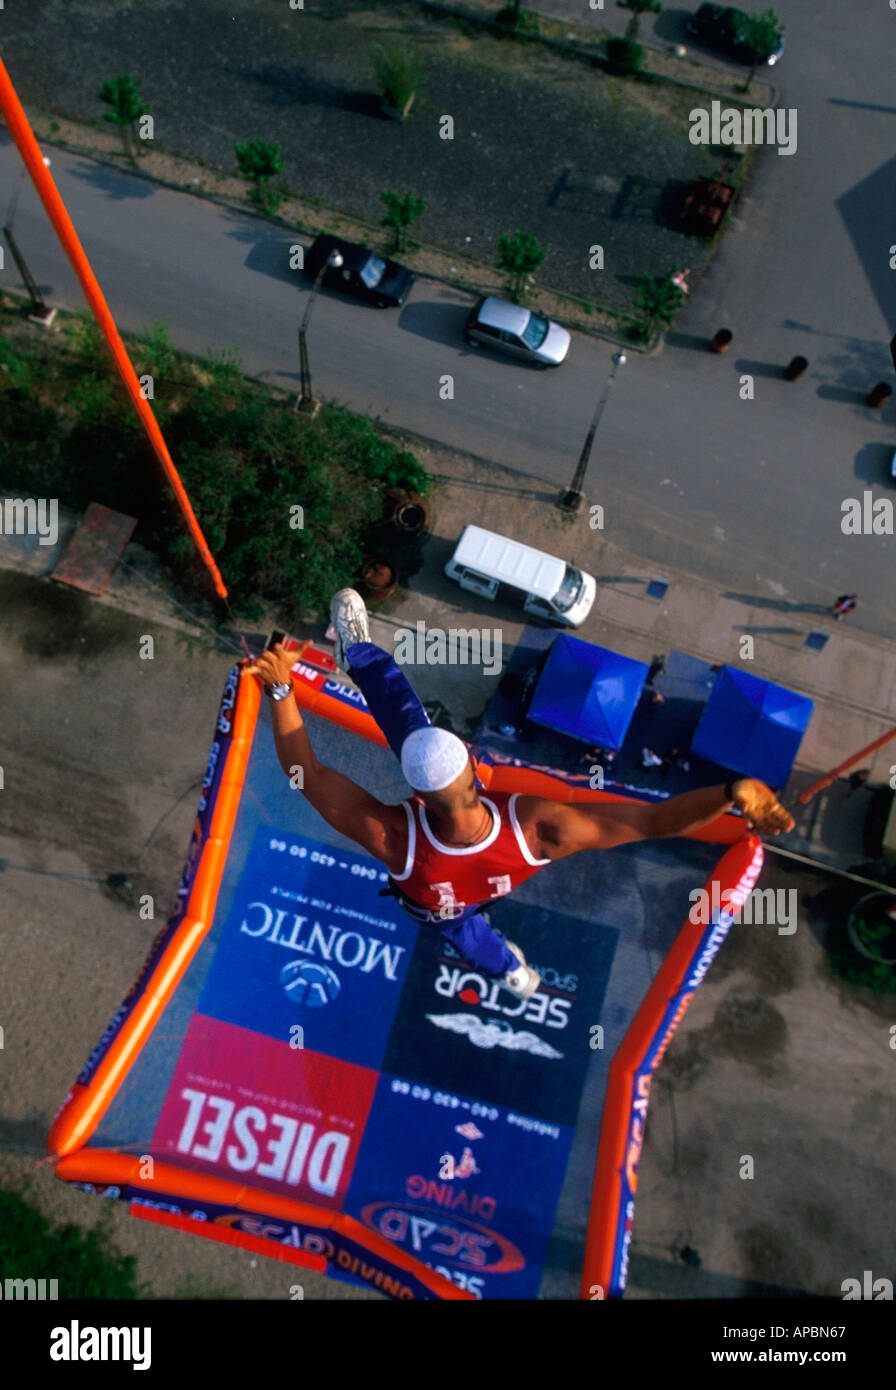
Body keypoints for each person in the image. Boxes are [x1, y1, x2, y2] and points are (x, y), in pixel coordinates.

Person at [246, 591, 794, 1004]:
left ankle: (359, 651)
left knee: (464, 931)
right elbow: (656, 823)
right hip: (488, 867)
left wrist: (279, 690)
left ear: (416, 795)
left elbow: (307, 774)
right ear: (476, 775)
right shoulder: (538, 826)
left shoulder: (396, 840)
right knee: (471, 930)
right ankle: (511, 969)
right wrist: (730, 792)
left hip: (438, 899)